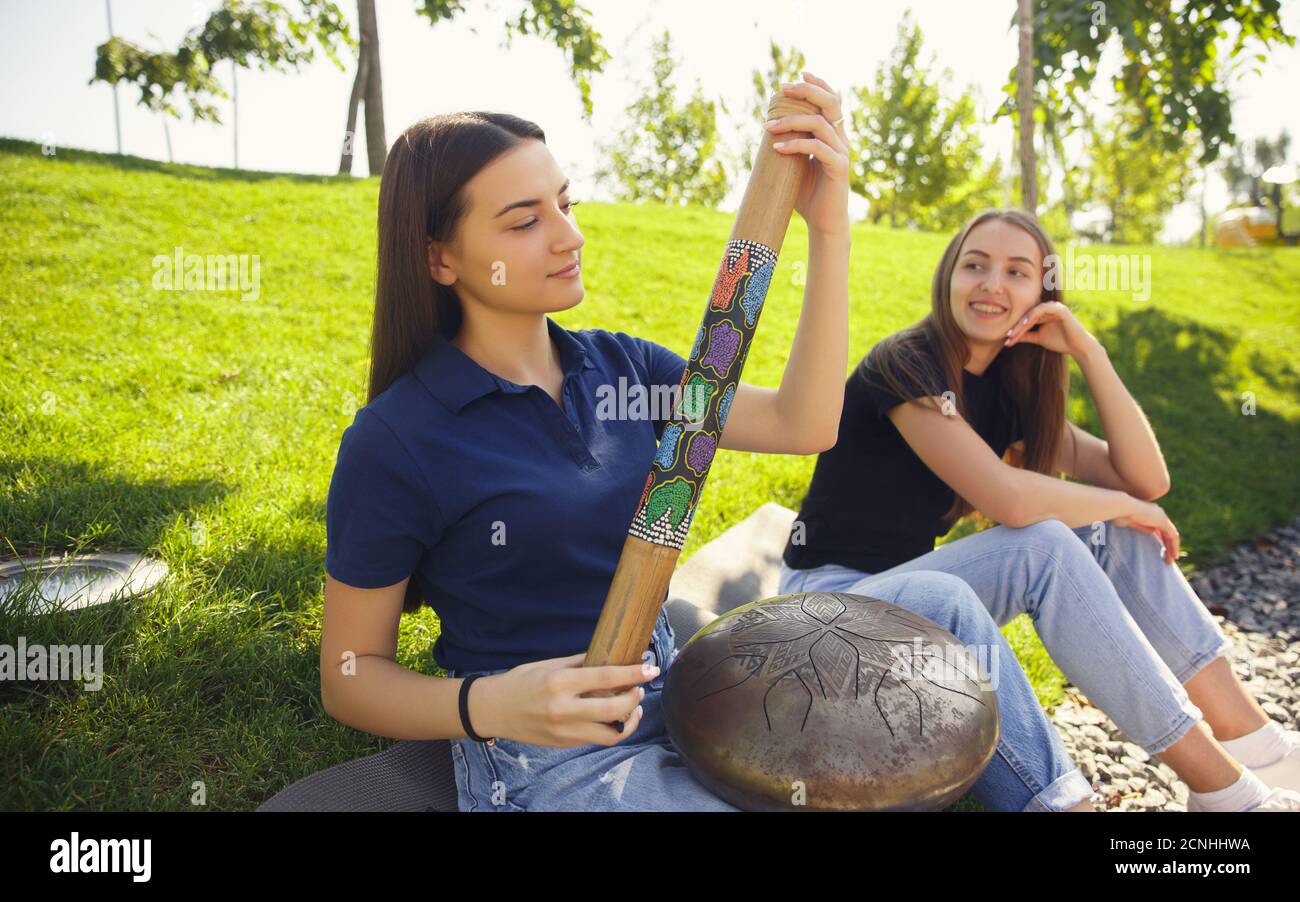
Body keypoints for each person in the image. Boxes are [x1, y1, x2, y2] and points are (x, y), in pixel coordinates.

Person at [319, 75, 1093, 811]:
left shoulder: (621, 369)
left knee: (941, 601)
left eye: (564, 203)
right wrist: (489, 702)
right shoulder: (399, 439)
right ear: (439, 257)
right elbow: (351, 677)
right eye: (524, 222)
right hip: (549, 757)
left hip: (685, 685)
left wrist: (829, 230)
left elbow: (804, 424)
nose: (569, 236)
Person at [779, 207, 1300, 812]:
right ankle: (1222, 786)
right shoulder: (906, 366)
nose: (992, 284)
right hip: (831, 609)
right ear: (948, 277)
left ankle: (1252, 741)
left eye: (1017, 272)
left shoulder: (1009, 391)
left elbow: (1146, 478)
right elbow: (1009, 497)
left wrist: (1088, 350)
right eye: (974, 265)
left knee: (1110, 527)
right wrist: (1129, 505)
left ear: (1041, 295)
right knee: (1047, 542)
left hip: (909, 599)